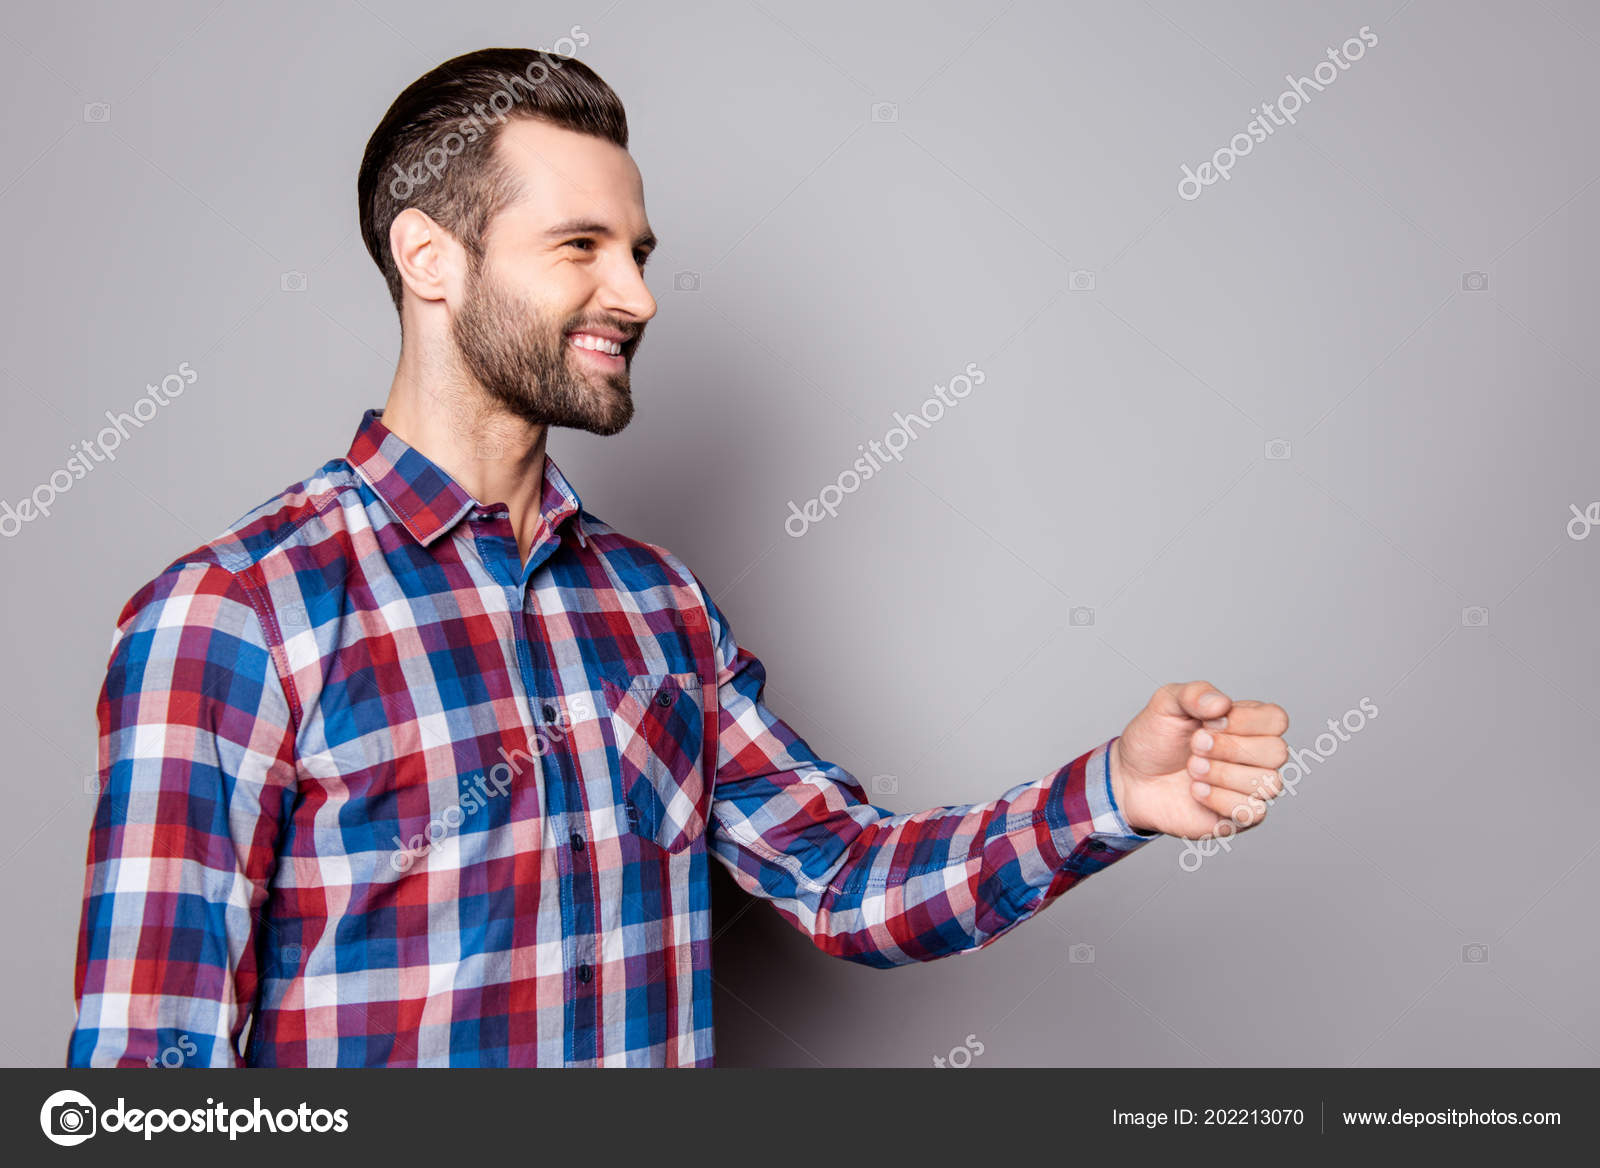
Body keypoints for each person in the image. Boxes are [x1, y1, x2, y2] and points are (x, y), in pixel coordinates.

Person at [68, 48, 1289, 1068]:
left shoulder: (656, 608)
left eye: (638, 252)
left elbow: (847, 881)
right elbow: (145, 1075)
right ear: (430, 259)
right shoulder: (232, 615)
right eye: (581, 246)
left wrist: (1113, 796)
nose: (636, 294)